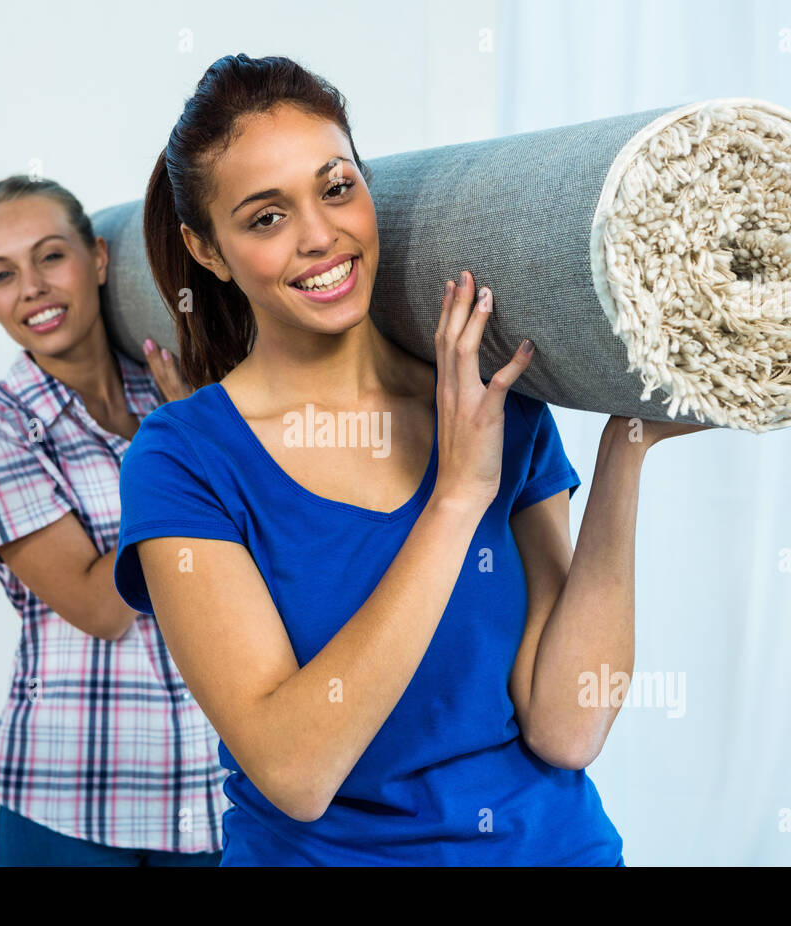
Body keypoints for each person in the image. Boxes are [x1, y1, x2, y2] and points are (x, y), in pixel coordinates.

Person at [113, 54, 710, 866]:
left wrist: (626, 448)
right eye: (265, 217)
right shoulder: (184, 458)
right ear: (206, 250)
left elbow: (567, 727)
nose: (321, 236)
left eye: (335, 187)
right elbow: (296, 770)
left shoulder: (492, 400)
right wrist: (456, 499)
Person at [0, 174, 229, 866]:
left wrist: (202, 426)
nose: (34, 287)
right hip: (72, 802)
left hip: (213, 787)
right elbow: (102, 607)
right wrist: (178, 451)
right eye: (2, 274)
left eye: (51, 256)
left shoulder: (175, 385)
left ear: (98, 259)